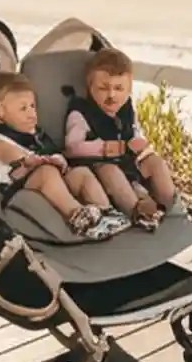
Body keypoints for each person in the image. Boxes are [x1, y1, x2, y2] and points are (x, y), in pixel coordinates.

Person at [0, 72, 129, 239]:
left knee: (80, 173)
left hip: (53, 176)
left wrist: (58, 161)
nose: (31, 113)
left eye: (32, 106)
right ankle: (77, 214)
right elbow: (5, 152)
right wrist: (27, 159)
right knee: (46, 173)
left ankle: (105, 212)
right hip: (20, 185)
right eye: (23, 108)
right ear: (0, 111)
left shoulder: (37, 133)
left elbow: (53, 153)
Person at [64, 48, 175, 231]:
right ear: (89, 88)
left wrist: (140, 146)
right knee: (111, 171)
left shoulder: (126, 110)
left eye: (119, 88)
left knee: (155, 163)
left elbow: (134, 133)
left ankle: (166, 206)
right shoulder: (80, 112)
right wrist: (107, 148)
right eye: (103, 88)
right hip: (96, 166)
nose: (111, 95)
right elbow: (72, 147)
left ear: (129, 89)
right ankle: (137, 212)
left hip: (127, 164)